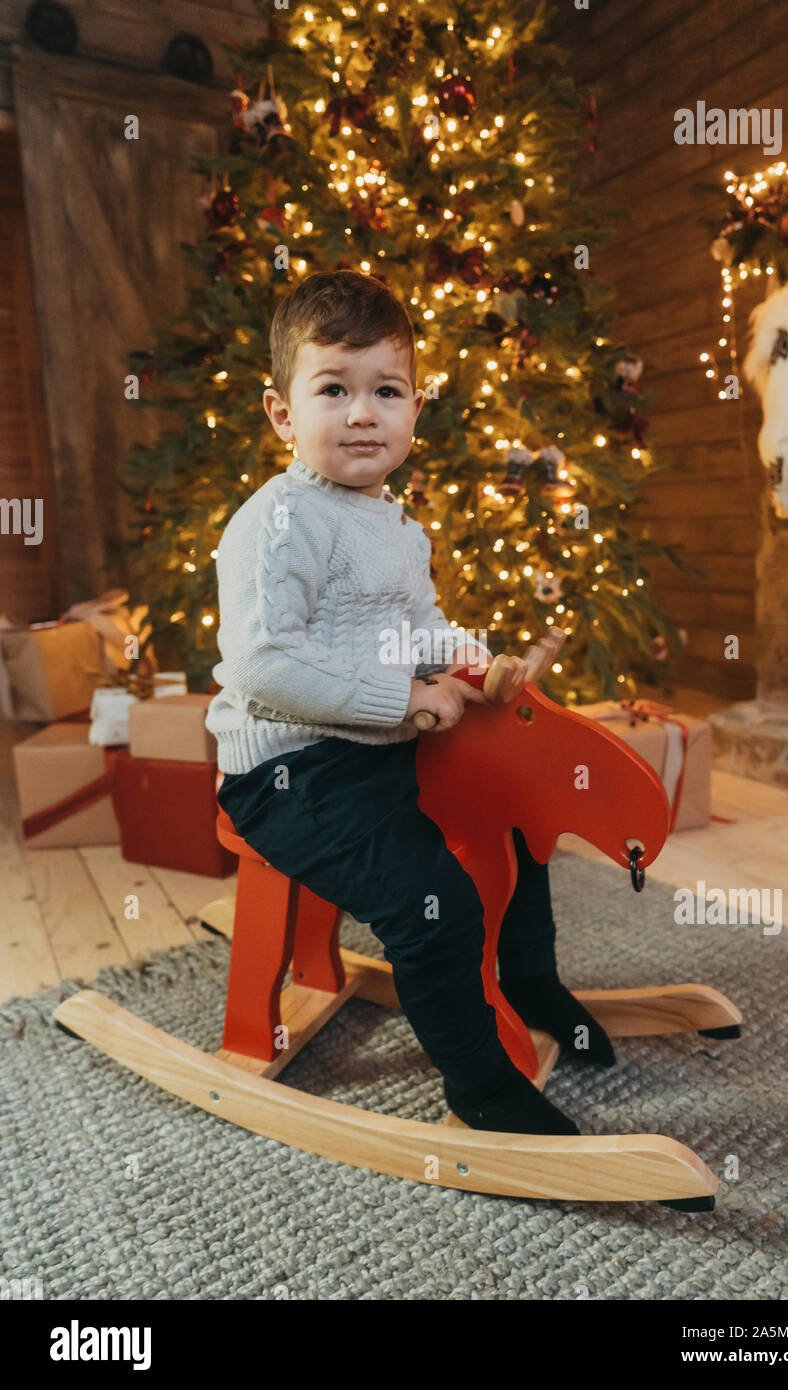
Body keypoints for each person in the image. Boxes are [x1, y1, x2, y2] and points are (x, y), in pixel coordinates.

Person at [206, 269, 615, 1135]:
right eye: (334, 390)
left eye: (385, 391)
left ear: (414, 411)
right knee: (436, 902)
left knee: (514, 825)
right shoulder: (275, 524)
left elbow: (418, 626)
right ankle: (478, 1089)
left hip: (378, 750)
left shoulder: (394, 523)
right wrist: (403, 700)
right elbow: (263, 666)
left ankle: (530, 979)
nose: (363, 413)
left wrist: (478, 663)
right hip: (289, 774)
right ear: (282, 413)